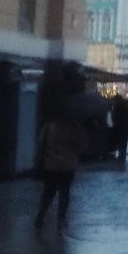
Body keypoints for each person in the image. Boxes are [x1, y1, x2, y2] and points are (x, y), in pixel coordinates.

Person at [34, 86, 87, 233]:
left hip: (50, 165)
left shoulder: (50, 126)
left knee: (48, 192)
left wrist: (39, 161)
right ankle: (61, 220)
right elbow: (81, 145)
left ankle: (40, 216)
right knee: (64, 193)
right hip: (67, 166)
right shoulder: (73, 128)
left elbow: (41, 145)